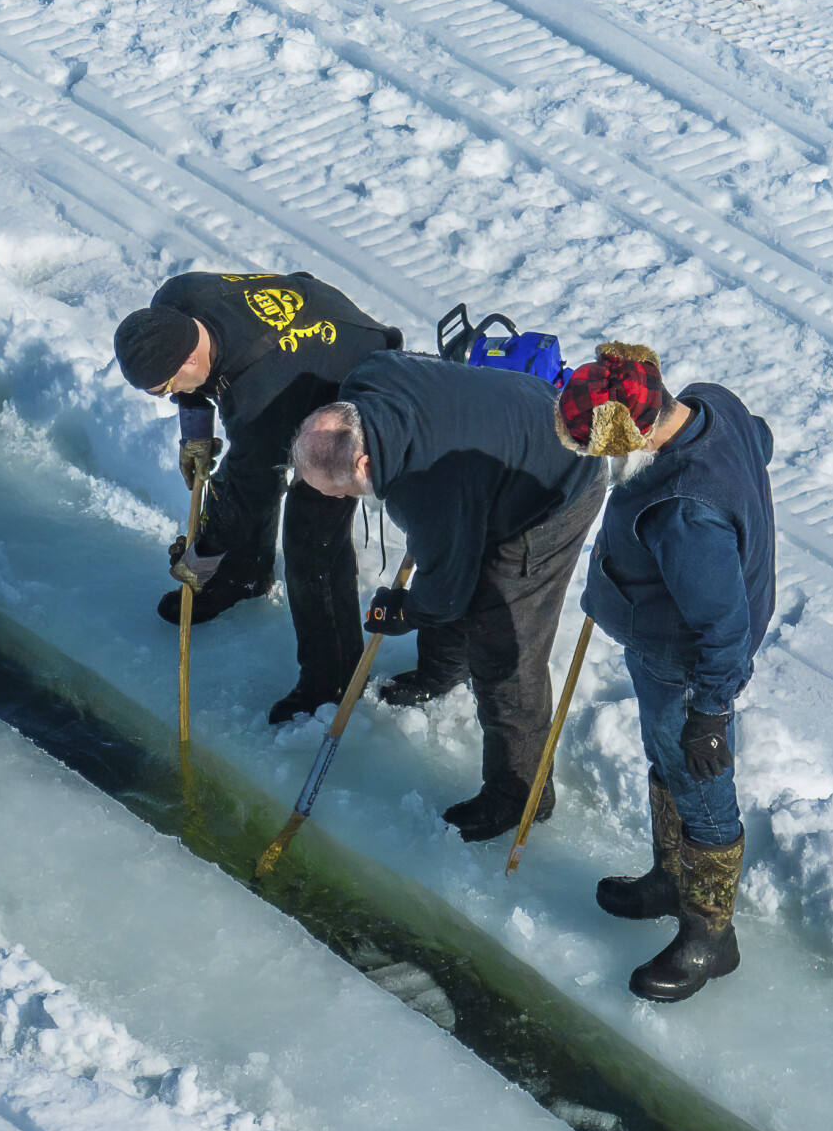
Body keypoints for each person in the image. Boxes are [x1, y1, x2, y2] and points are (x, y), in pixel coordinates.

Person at [290, 349, 606, 841]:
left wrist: (404, 612)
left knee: (504, 638)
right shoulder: (367, 378)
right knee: (454, 559)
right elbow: (447, 556)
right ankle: (441, 673)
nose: (339, 501)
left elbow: (447, 595)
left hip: (555, 482)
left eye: (343, 491)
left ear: (365, 461)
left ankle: (519, 794)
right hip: (506, 441)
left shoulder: (425, 488)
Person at [555, 344, 775, 1003]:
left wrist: (711, 712)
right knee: (664, 760)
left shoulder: (685, 513)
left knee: (700, 786)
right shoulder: (713, 403)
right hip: (663, 642)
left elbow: (723, 626)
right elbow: (759, 441)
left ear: (635, 433)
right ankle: (670, 880)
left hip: (688, 665)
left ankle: (711, 938)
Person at [113, 271, 402, 724]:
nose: (171, 396)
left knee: (310, 536)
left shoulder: (261, 398)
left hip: (352, 375)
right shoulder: (177, 303)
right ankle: (243, 577)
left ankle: (335, 678)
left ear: (189, 357)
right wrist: (194, 430)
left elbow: (254, 490)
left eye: (169, 388)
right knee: (244, 471)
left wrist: (202, 556)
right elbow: (234, 449)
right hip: (297, 351)